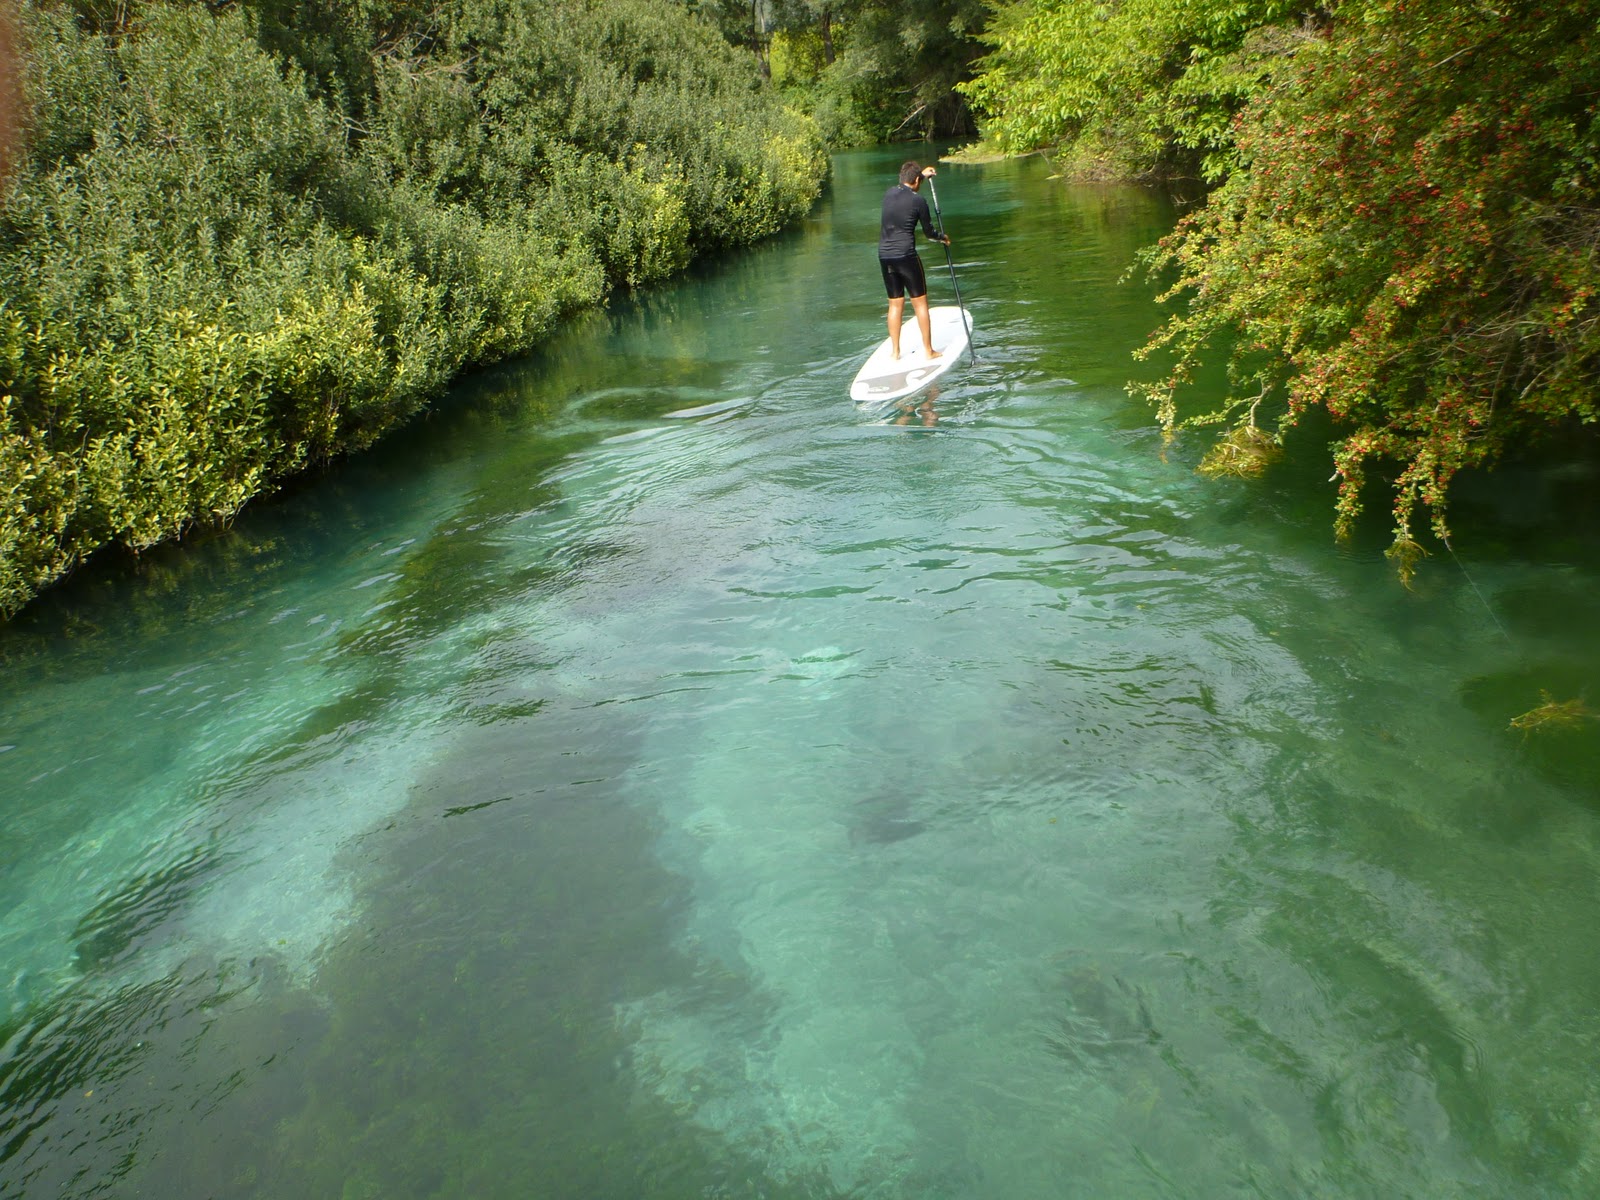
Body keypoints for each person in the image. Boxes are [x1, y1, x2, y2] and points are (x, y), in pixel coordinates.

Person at [878, 160, 950, 361]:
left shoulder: (889, 193)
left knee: (895, 304)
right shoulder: (919, 201)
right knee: (920, 304)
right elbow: (929, 233)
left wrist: (922, 175)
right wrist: (942, 238)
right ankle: (928, 351)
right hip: (906, 256)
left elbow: (905, 186)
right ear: (917, 180)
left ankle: (895, 352)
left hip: (885, 256)